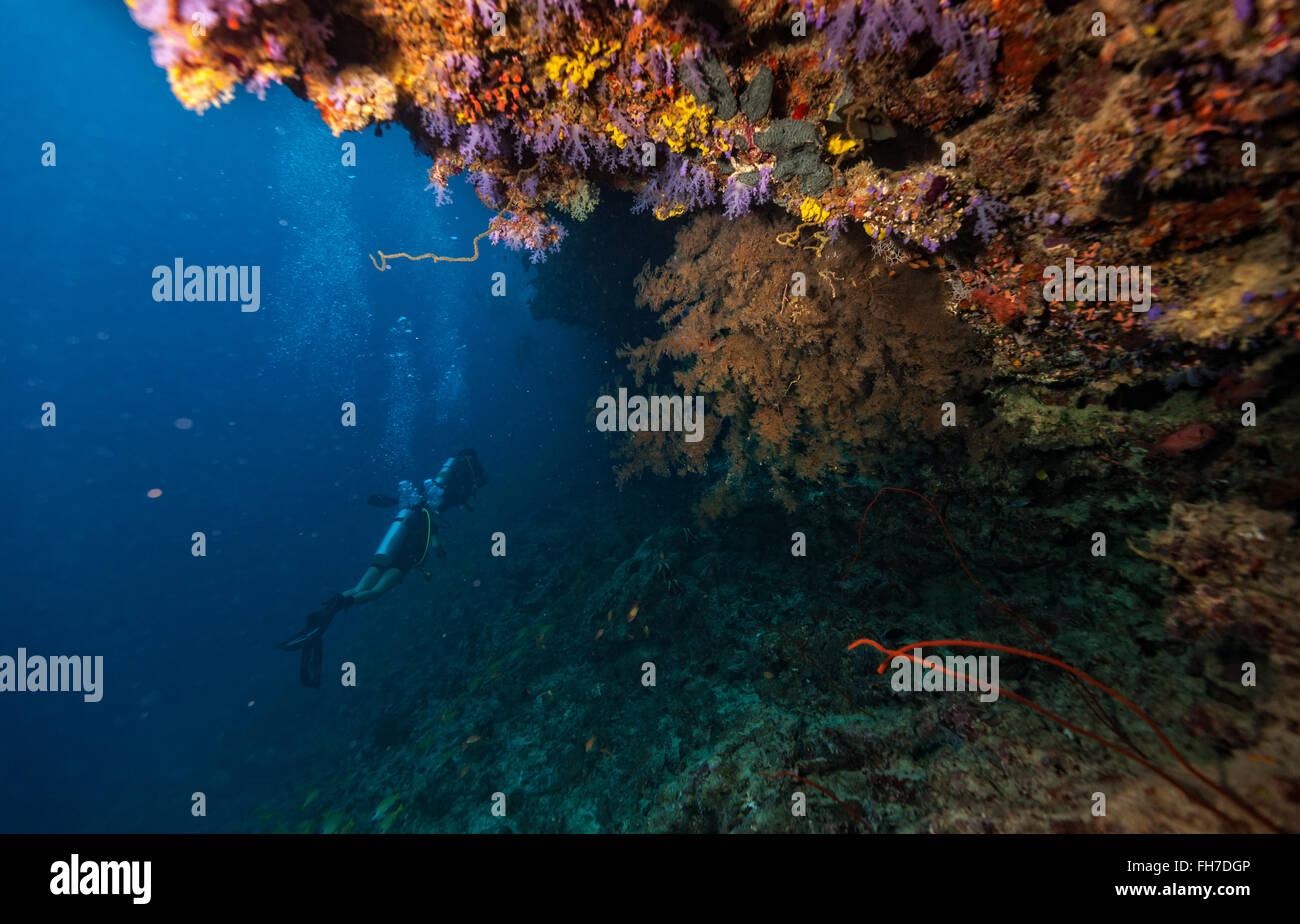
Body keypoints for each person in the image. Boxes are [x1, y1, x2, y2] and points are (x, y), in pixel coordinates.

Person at [277, 449, 488, 687]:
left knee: (360, 585)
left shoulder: (412, 512)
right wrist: (438, 549)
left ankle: (328, 611)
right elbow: (432, 532)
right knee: (375, 592)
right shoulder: (428, 513)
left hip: (388, 549)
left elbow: (428, 524)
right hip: (405, 559)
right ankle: (330, 615)